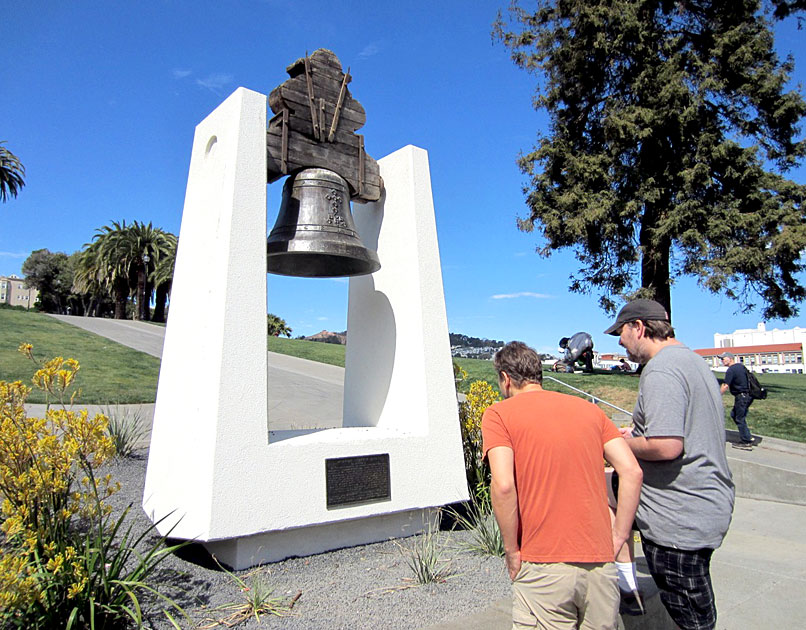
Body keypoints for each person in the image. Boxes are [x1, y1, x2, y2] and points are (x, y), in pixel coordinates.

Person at [482, 341, 643, 629]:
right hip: (600, 563)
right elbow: (631, 471)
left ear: (506, 379)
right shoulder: (590, 411)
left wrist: (511, 551)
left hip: (542, 563)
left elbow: (504, 485)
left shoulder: (499, 415)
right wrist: (618, 537)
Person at [604, 299, 735, 630]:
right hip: (702, 504)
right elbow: (684, 426)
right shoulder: (693, 362)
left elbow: (666, 445)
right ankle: (625, 583)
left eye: (621, 332)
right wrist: (637, 432)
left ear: (639, 327)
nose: (620, 340)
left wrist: (616, 444)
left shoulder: (660, 369)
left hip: (677, 517)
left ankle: (623, 584)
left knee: (690, 620)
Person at [719, 352, 755, 450]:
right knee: (735, 415)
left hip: (742, 396)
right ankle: (747, 435)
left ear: (730, 359)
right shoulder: (741, 367)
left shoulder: (731, 370)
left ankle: (746, 441)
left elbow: (726, 385)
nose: (722, 361)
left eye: (723, 359)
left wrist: (717, 396)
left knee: (739, 418)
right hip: (748, 395)